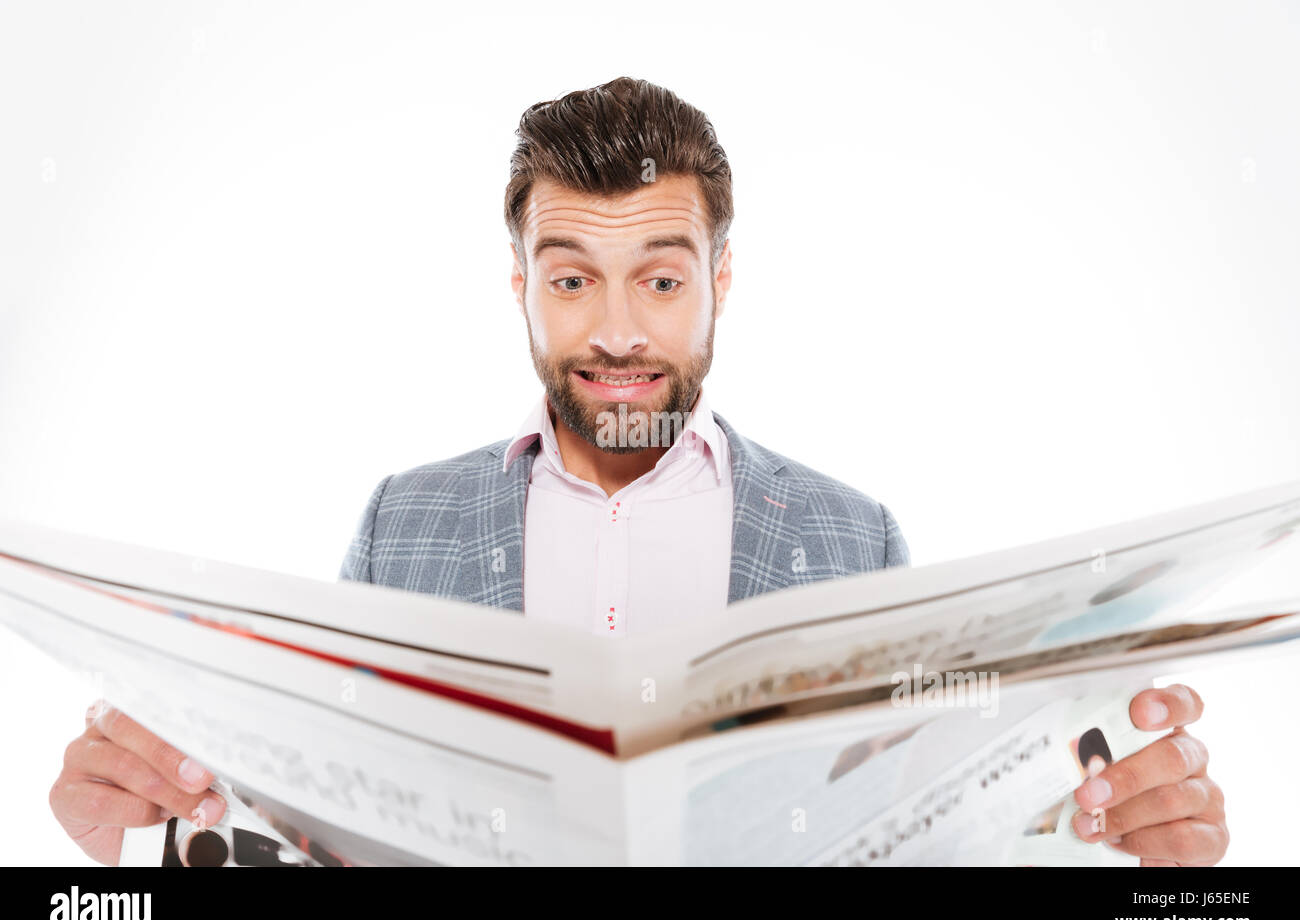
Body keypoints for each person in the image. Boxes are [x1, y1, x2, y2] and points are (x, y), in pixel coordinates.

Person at [48, 77, 1228, 867]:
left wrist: (1130, 866)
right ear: (520, 286)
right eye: (572, 280)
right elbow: (321, 833)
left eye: (660, 280)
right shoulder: (399, 521)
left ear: (723, 279)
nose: (617, 332)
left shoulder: (853, 534)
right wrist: (145, 835)